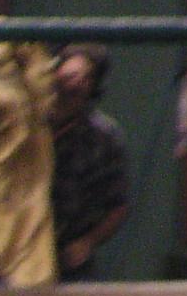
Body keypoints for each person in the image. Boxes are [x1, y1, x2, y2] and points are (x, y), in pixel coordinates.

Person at [47, 43, 129, 280]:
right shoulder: (26, 124)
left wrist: (87, 243)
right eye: (70, 75)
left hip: (68, 262)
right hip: (15, 254)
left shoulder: (105, 137)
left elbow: (118, 206)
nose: (75, 83)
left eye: (86, 78)